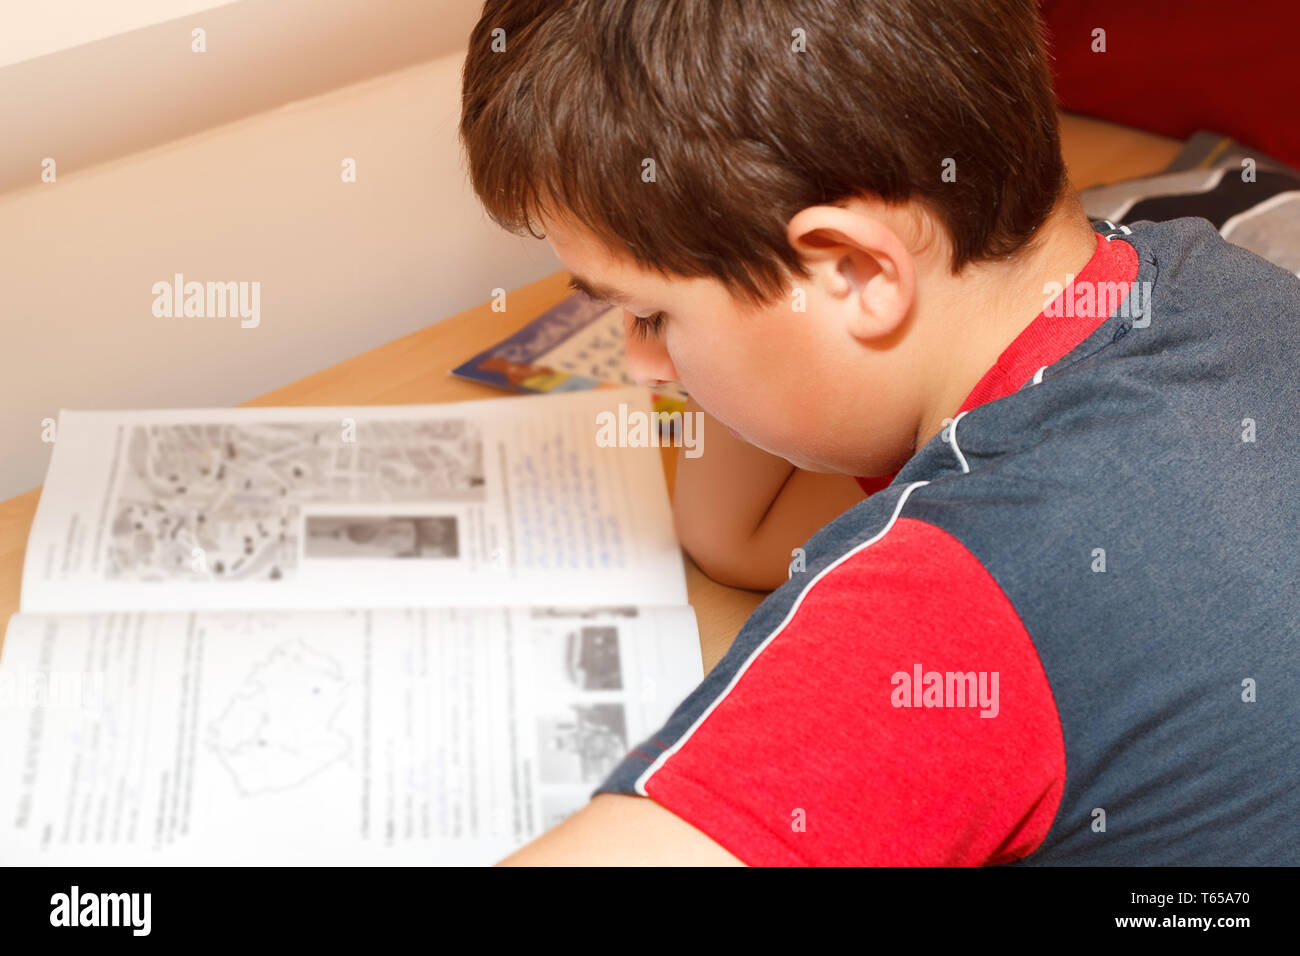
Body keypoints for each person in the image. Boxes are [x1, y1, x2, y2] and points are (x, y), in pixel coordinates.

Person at [459, 0, 1300, 864]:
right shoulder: (1204, 281)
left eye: (649, 316)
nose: (643, 367)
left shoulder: (956, 598)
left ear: (859, 269)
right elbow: (735, 538)